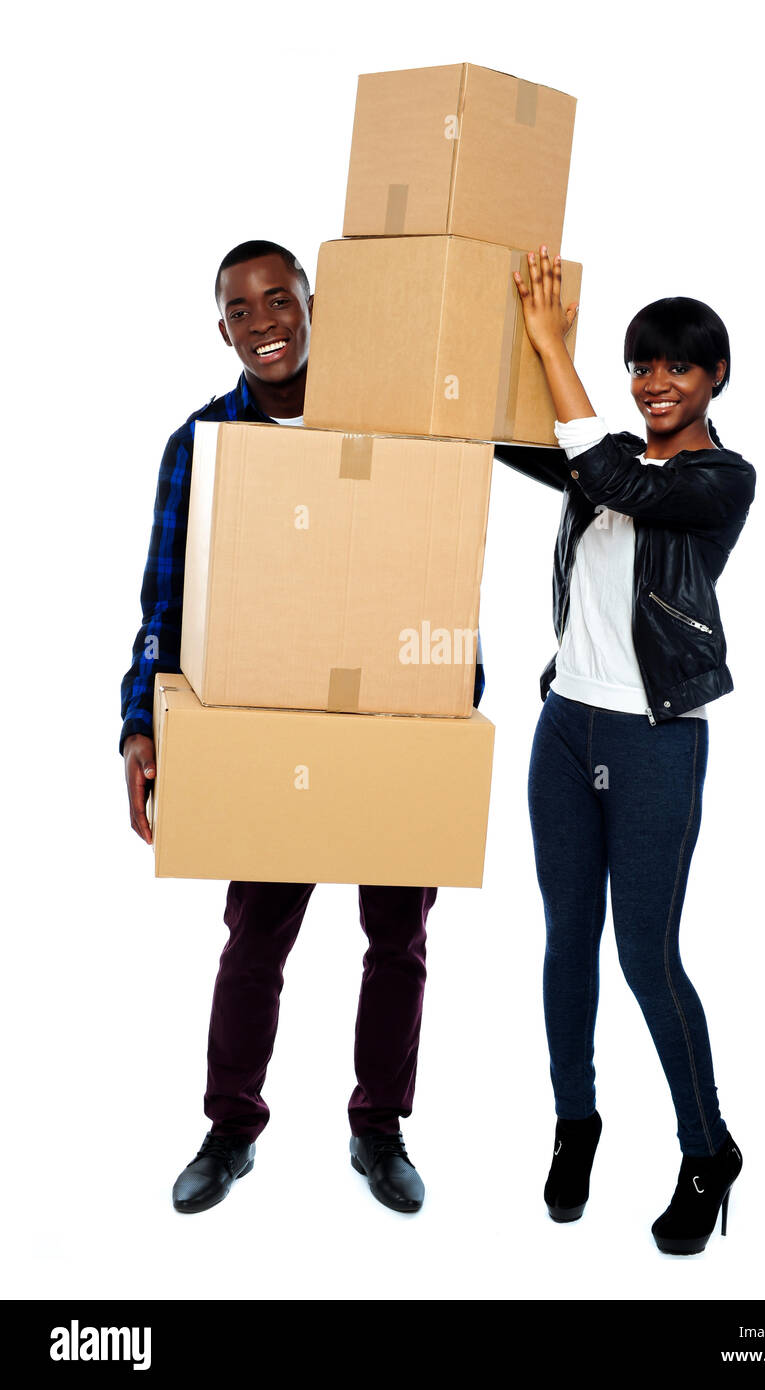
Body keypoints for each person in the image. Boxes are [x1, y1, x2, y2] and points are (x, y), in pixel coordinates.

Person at [121, 239, 485, 1216]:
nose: (264, 323)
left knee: (397, 937)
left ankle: (380, 1128)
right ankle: (231, 1126)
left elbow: (439, 548)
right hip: (271, 722)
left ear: (310, 302)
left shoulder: (382, 422)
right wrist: (138, 727)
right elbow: (165, 601)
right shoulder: (204, 446)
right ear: (223, 328)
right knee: (253, 938)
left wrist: (453, 682)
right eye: (240, 310)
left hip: (387, 717)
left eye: (278, 300)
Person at [493, 247, 755, 1255]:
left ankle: (707, 1148)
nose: (654, 382)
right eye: (641, 364)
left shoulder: (717, 479)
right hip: (564, 726)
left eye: (675, 368)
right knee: (567, 942)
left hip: (655, 739)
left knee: (645, 954)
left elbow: (601, 470)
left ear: (714, 379)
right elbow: (518, 438)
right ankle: (576, 1121)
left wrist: (551, 344)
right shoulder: (604, 454)